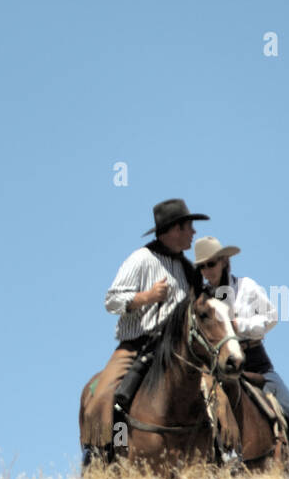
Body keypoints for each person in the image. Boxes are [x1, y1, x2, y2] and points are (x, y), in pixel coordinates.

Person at [81, 198, 211, 465]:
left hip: (179, 352)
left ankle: (219, 455)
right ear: (174, 229)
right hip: (136, 346)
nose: (193, 233)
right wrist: (147, 297)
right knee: (107, 397)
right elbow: (111, 301)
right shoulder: (140, 259)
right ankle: (107, 456)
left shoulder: (190, 271)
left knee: (218, 393)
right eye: (189, 227)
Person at [194, 236, 289, 463]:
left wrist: (241, 326)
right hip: (220, 366)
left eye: (211, 263)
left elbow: (271, 318)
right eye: (202, 266)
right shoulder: (202, 300)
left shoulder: (246, 287)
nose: (207, 270)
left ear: (223, 261)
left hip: (254, 360)